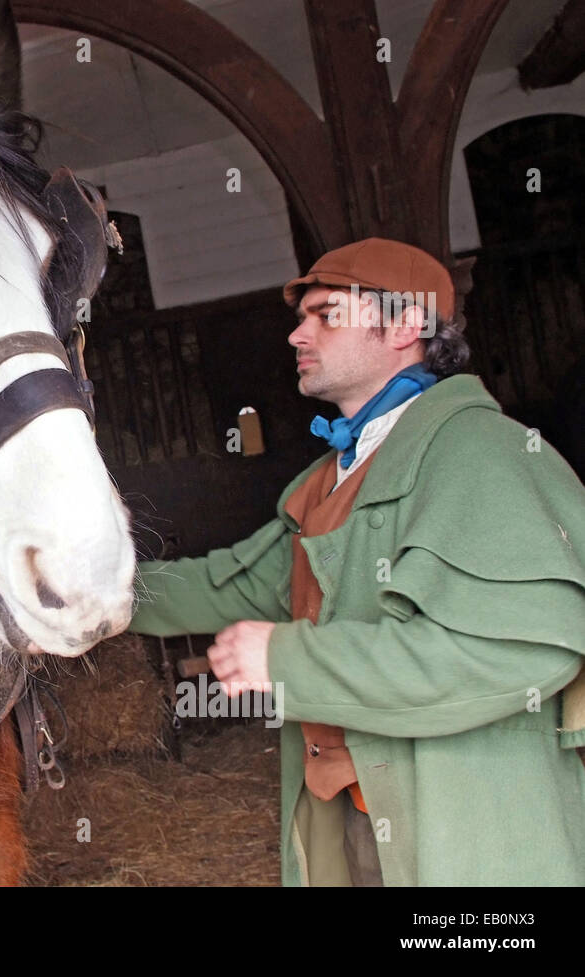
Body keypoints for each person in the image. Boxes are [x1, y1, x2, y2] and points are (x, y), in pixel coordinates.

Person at [128, 237, 585, 885]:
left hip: (472, 836)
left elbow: (516, 653)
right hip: (354, 818)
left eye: (325, 314)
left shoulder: (482, 452)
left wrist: (290, 660)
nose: (296, 334)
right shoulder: (333, 476)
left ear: (404, 325)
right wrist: (86, 595)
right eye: (301, 316)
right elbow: (233, 584)